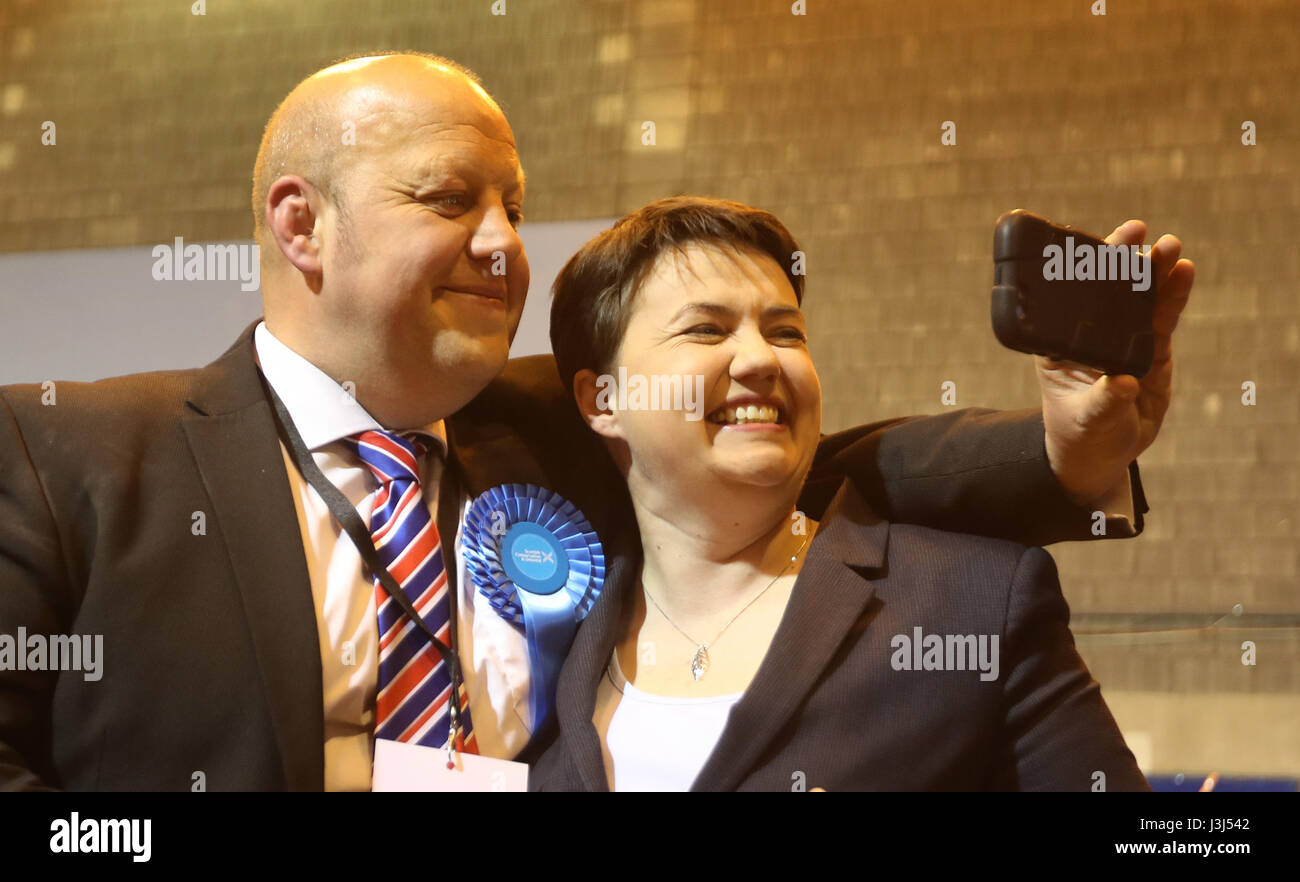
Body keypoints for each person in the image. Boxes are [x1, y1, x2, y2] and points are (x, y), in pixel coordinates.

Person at [0, 53, 1189, 791]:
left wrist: (1064, 456)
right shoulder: (73, 456)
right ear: (300, 226)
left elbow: (830, 464)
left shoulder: (548, 434)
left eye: (513, 205)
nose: (504, 243)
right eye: (450, 199)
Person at [531, 196, 1182, 790]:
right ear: (604, 400)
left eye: (786, 332)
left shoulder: (972, 602)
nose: (762, 360)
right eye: (707, 329)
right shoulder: (547, 635)